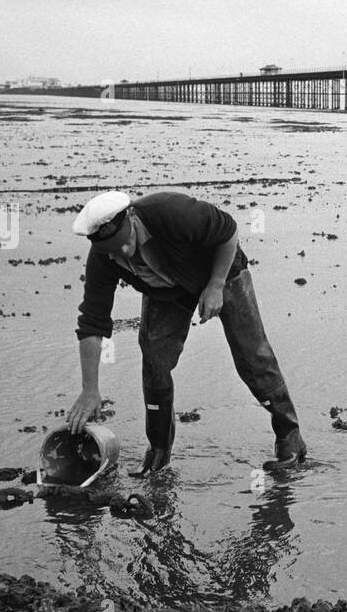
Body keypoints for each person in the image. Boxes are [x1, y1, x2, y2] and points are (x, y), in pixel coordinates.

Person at [67, 190, 306, 475]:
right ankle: (158, 451)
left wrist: (215, 285)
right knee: (155, 358)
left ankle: (289, 437)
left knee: (251, 355)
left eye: (125, 243)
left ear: (130, 218)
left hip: (222, 271)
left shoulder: (171, 212)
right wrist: (90, 389)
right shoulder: (104, 257)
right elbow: (93, 321)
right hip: (166, 290)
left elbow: (228, 231)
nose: (124, 253)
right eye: (113, 251)